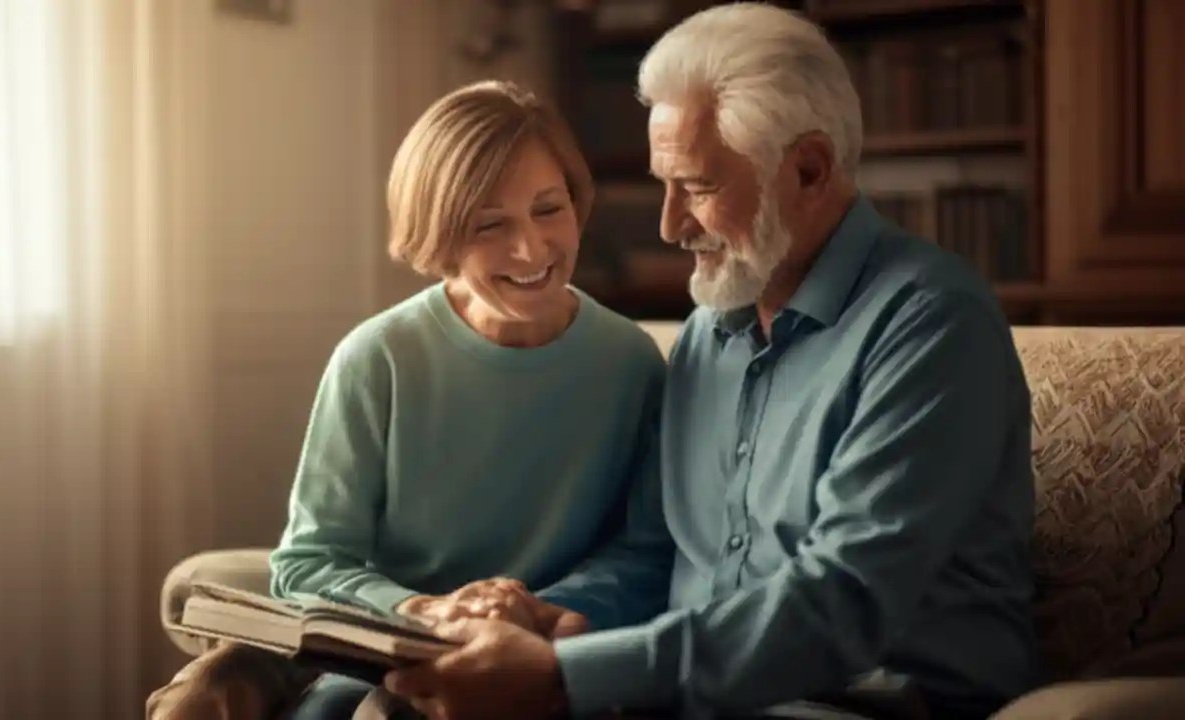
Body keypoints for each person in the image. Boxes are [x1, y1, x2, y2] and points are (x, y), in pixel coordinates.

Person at [383, 5, 1038, 719]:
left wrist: (567, 675)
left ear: (810, 169)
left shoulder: (931, 322)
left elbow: (844, 599)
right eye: (663, 185)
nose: (670, 225)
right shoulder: (706, 334)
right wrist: (539, 620)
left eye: (696, 187)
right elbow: (652, 557)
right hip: (686, 700)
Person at [145, 80, 671, 720]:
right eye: (490, 225)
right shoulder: (377, 358)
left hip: (531, 652)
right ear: (441, 235)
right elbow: (311, 561)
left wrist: (527, 610)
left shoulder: (631, 365)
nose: (531, 249)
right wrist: (428, 610)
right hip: (382, 634)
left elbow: (644, 555)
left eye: (548, 209)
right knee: (214, 698)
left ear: (578, 200)